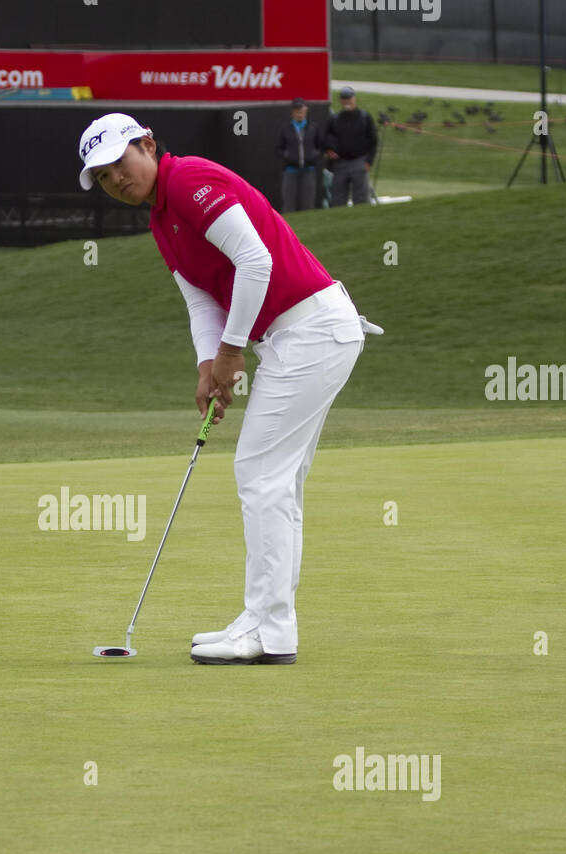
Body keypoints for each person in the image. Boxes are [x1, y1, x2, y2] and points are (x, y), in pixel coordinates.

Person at [77, 113, 382, 666]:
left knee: (261, 475)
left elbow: (255, 260)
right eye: (102, 176)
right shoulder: (161, 218)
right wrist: (206, 363)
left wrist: (232, 352)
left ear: (147, 144)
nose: (116, 179)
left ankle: (269, 630)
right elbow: (201, 300)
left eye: (120, 162)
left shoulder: (189, 181)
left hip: (310, 330)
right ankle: (267, 623)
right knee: (276, 481)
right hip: (300, 336)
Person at [323, 87, 378, 208]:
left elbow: (373, 141)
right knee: (337, 200)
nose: (347, 101)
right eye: (344, 98)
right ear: (341, 100)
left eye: (349, 98)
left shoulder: (364, 117)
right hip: (340, 164)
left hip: (359, 162)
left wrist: (369, 161)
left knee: (361, 199)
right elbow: (326, 139)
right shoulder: (335, 119)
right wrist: (329, 151)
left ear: (354, 99)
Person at [274, 97, 321, 214]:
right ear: (292, 112)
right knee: (289, 203)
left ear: (306, 110)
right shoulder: (286, 129)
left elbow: (320, 145)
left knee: (308, 203)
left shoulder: (313, 128)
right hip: (291, 170)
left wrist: (313, 156)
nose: (299, 112)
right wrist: (288, 156)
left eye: (301, 110)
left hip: (308, 169)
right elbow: (278, 149)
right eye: (297, 110)